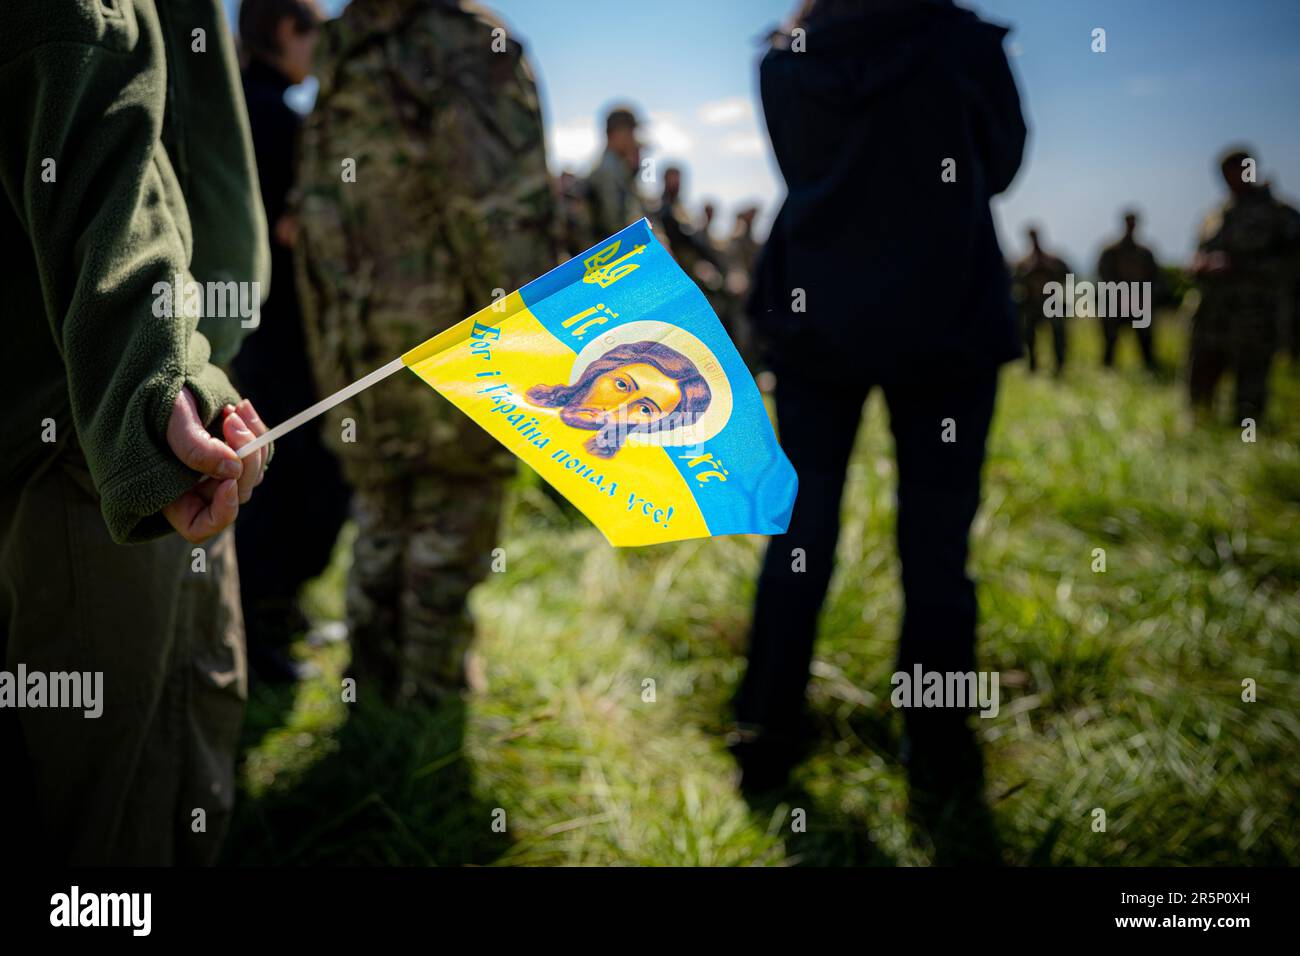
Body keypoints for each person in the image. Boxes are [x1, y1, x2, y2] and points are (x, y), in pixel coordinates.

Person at [736, 0, 1025, 863]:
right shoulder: (962, 42)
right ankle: (938, 749)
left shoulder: (784, 55)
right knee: (935, 544)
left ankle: (765, 727)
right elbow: (1001, 164)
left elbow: (800, 163)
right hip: (946, 315)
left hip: (817, 312)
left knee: (798, 532)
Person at [0, 0, 270, 864]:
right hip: (100, 435)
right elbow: (78, 83)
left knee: (193, 727)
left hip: (160, 401)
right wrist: (152, 380)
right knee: (110, 806)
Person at [295, 0, 556, 705]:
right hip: (456, 353)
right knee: (448, 530)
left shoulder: (345, 54)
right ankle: (426, 724)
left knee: (382, 522)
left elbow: (320, 225)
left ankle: (371, 704)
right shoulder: (465, 42)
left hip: (361, 359)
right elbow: (502, 214)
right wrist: (541, 351)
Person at [234, 0, 351, 682]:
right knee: (286, 476)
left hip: (255, 328)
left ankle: (278, 613)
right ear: (286, 32)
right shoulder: (275, 117)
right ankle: (258, 638)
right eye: (315, 33)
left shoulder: (246, 108)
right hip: (280, 332)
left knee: (286, 471)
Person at [1188, 147, 1300, 425]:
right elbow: (1200, 253)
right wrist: (1199, 267)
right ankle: (1200, 437)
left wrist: (1241, 267)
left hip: (1254, 317)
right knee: (1201, 382)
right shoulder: (1213, 216)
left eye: (1239, 168)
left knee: (1250, 387)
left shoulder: (1280, 214)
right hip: (1211, 316)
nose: (1232, 176)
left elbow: (1293, 264)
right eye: (1227, 171)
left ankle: (1247, 440)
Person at [1097, 209, 1162, 371]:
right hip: (1116, 301)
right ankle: (1108, 369)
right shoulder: (1110, 251)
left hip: (1139, 301)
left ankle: (1149, 368)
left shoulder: (1145, 253)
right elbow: (1104, 275)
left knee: (1145, 339)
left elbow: (1154, 277)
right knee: (1110, 339)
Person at [585, 105, 651, 244]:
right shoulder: (608, 171)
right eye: (631, 131)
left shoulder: (617, 168)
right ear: (616, 133)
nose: (635, 138)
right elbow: (616, 225)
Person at [1012, 226, 1071, 375]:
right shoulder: (1022, 264)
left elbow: (1067, 276)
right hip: (1031, 305)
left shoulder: (1054, 261)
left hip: (1051, 303)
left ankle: (1060, 365)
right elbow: (1015, 282)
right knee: (1028, 336)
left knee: (1058, 334)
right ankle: (1032, 365)